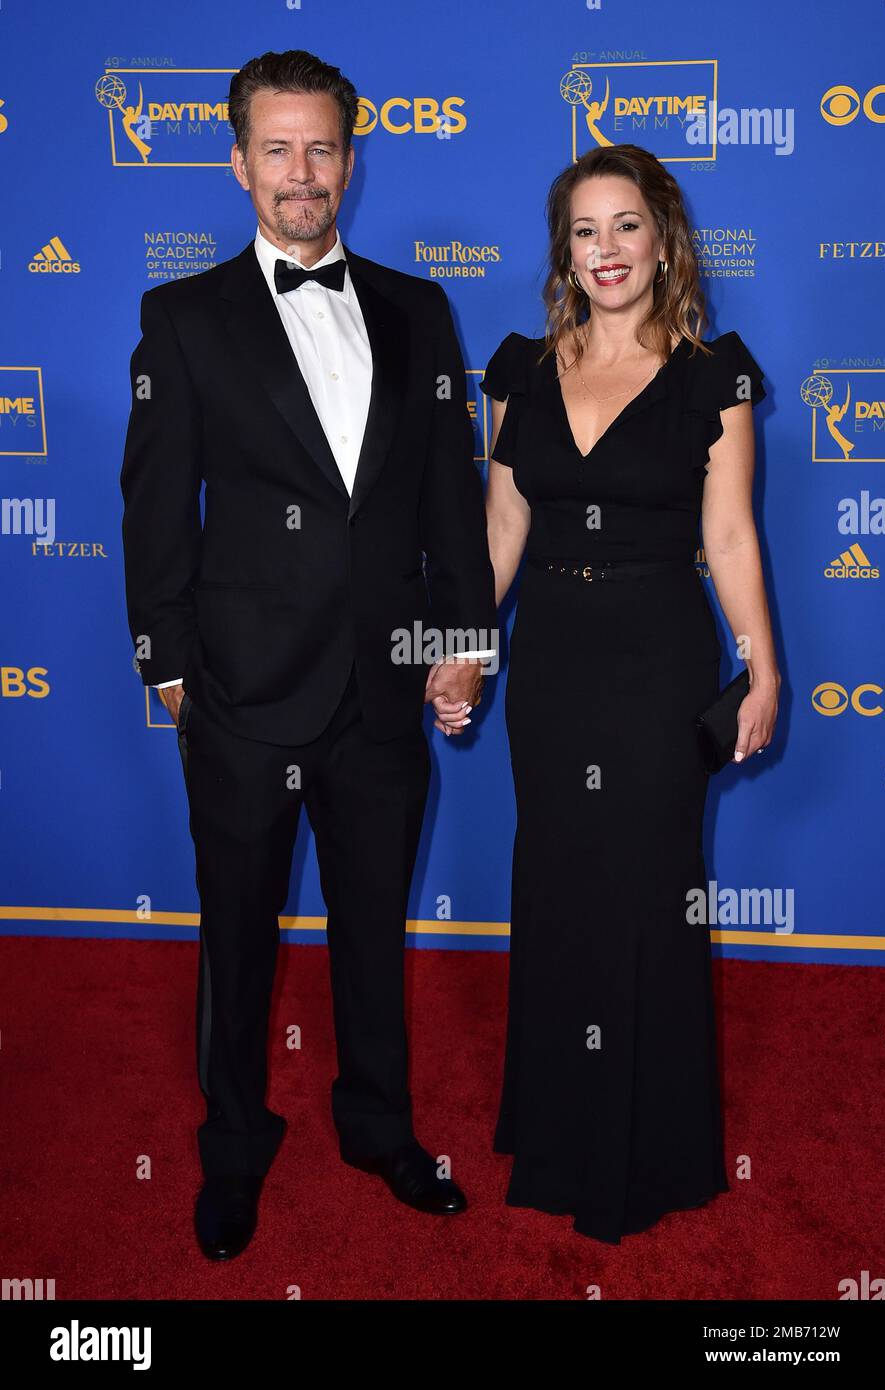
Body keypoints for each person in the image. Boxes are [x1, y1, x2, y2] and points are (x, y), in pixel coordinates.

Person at [120, 48, 497, 1261]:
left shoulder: (418, 309)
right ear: (237, 164)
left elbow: (450, 498)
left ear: (351, 159)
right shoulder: (181, 320)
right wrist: (169, 672)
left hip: (385, 689)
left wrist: (457, 642)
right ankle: (233, 1149)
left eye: (321, 147)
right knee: (236, 938)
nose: (301, 172)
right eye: (276, 149)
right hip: (240, 695)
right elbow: (153, 508)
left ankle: (379, 1129)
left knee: (372, 929)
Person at [479, 143, 780, 1243]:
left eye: (623, 228)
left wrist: (761, 664)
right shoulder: (517, 367)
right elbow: (500, 529)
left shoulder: (713, 374)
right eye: (582, 231)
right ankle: (556, 1125)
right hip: (551, 662)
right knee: (555, 884)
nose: (603, 251)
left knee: (650, 887)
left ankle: (648, 1144)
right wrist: (464, 642)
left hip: (656, 660)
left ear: (663, 241)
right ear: (563, 251)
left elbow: (730, 532)